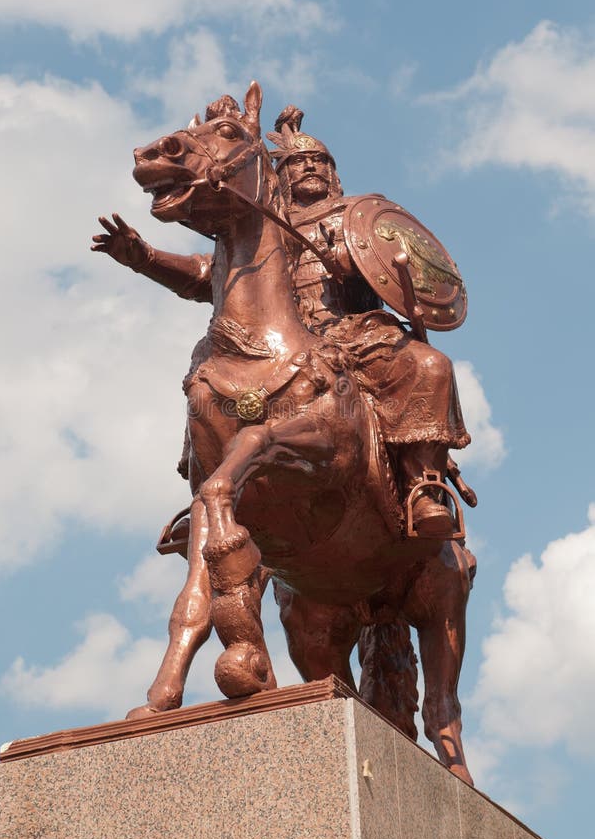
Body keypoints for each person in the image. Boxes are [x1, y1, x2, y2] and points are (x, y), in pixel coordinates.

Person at [92, 97, 470, 538]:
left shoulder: (355, 214)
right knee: (207, 373)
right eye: (297, 163)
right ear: (279, 175)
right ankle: (203, 489)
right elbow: (203, 276)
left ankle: (422, 486)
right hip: (277, 336)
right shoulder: (257, 225)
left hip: (351, 331)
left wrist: (345, 258)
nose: (309, 169)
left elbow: (391, 269)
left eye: (318, 162)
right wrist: (143, 257)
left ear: (332, 173)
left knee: (429, 366)